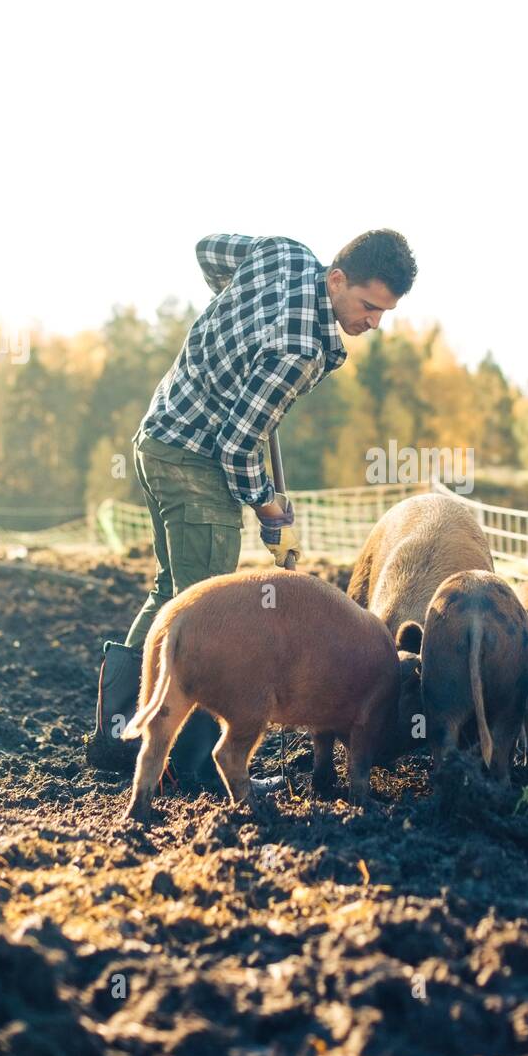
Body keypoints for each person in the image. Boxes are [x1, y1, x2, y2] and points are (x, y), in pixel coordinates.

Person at [86, 228, 417, 783]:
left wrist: (234, 315)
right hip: (198, 466)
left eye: (384, 313)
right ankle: (192, 771)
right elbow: (237, 447)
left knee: (171, 594)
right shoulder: (300, 349)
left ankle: (121, 733)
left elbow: (207, 251)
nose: (372, 323)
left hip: (160, 437)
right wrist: (270, 514)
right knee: (204, 618)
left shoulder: (284, 253)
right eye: (367, 306)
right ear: (337, 280)